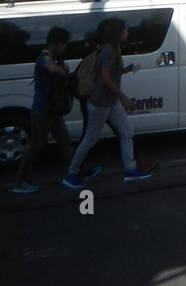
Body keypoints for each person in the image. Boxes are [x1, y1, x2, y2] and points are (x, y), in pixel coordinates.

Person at [63, 18, 155, 187]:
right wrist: (123, 97)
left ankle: (130, 169)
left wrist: (126, 70)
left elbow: (110, 74)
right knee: (90, 138)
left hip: (108, 101)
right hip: (100, 102)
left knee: (127, 131)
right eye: (125, 30)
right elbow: (105, 79)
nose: (127, 32)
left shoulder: (112, 50)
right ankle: (71, 173)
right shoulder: (108, 51)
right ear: (117, 34)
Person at [12, 27, 97, 194]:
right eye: (63, 43)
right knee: (36, 145)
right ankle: (20, 181)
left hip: (53, 110)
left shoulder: (53, 58)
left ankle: (73, 173)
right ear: (55, 43)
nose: (65, 47)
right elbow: (51, 69)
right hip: (42, 110)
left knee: (64, 142)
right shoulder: (44, 58)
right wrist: (63, 70)